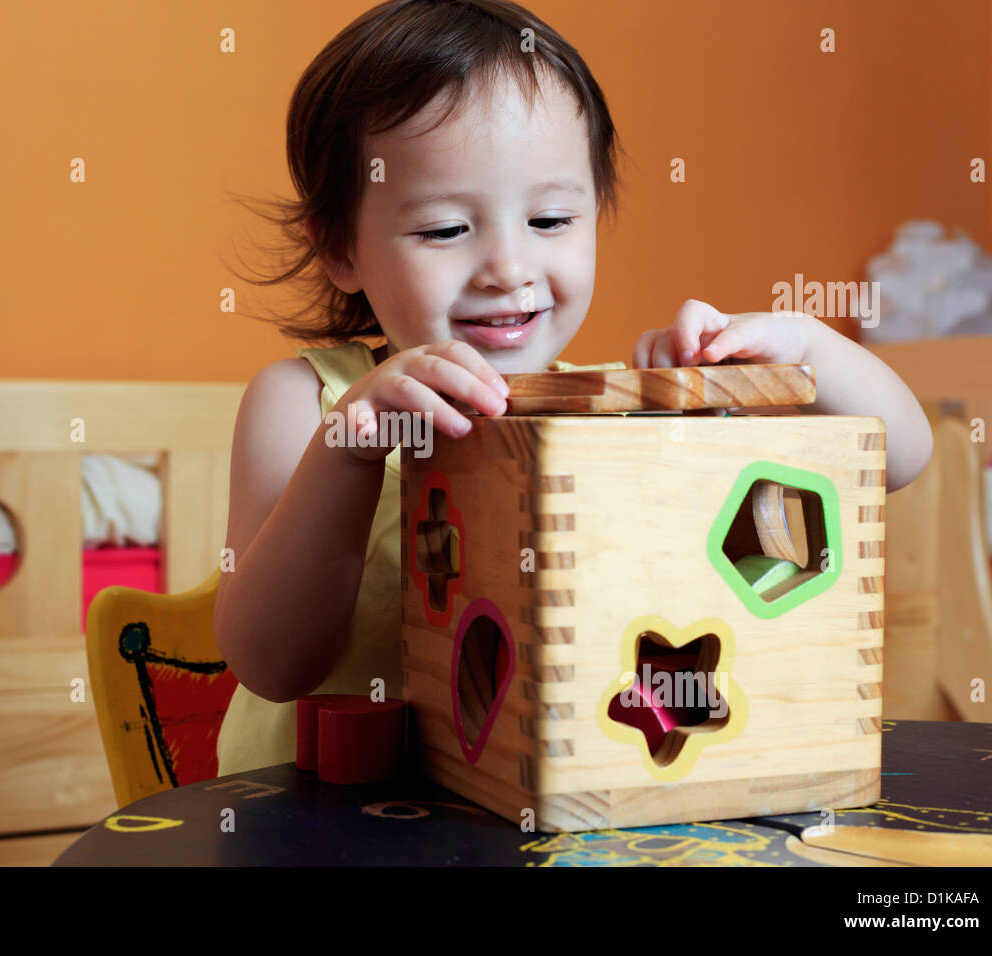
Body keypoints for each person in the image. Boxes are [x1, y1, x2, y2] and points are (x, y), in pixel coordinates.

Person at [213, 0, 932, 775]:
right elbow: (271, 664)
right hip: (322, 819)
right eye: (447, 230)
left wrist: (798, 346)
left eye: (551, 219)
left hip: (534, 806)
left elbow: (901, 456)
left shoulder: (606, 410)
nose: (508, 268)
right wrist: (349, 453)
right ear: (339, 249)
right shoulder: (306, 404)